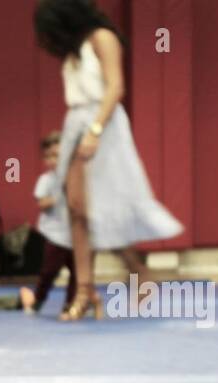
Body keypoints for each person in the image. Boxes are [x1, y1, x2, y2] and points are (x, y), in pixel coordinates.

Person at [34, 0, 182, 321]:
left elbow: (115, 87)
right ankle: (84, 291)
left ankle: (137, 270)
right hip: (75, 122)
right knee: (76, 209)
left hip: (103, 121)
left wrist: (96, 130)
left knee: (103, 208)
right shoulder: (74, 51)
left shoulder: (102, 37)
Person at [27, 130, 74, 314]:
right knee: (49, 271)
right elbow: (42, 203)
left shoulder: (75, 178)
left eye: (58, 155)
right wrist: (56, 197)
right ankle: (38, 299)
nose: (54, 160)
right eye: (49, 157)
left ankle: (71, 305)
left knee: (77, 273)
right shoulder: (46, 180)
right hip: (55, 234)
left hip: (74, 235)